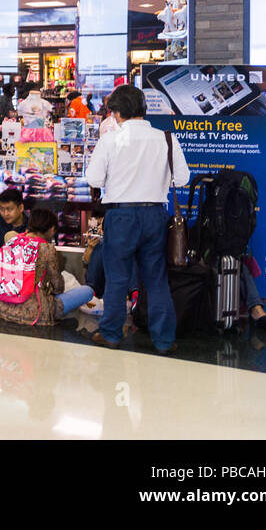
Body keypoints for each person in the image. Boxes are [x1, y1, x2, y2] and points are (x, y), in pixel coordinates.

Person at [85, 83, 190, 353]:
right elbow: (183, 177)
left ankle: (110, 334)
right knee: (156, 278)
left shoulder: (110, 140)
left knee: (117, 278)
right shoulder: (166, 138)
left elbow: (94, 179)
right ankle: (164, 340)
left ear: (117, 113)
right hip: (155, 213)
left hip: (121, 215)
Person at [0, 207, 94, 326]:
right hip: (35, 314)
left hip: (3, 309)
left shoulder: (12, 242)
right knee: (87, 291)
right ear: (52, 229)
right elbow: (58, 287)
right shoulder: (46, 248)